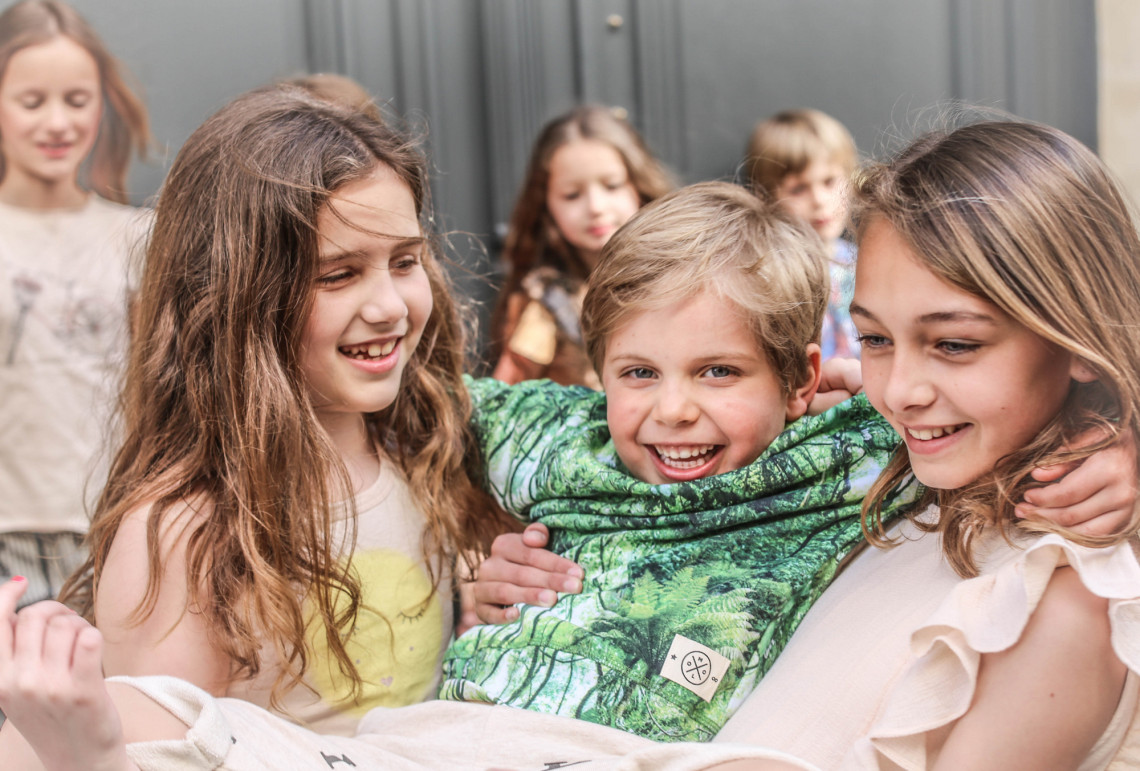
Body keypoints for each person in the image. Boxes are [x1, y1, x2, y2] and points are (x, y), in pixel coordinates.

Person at [0, 179, 1130, 771]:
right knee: (129, 707)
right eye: (877, 342)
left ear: (794, 384)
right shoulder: (569, 438)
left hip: (630, 751)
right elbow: (422, 397)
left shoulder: (856, 458)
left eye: (952, 344)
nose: (671, 407)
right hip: (445, 735)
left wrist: (1122, 433)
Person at [0, 83, 519, 766]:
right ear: (237, 297)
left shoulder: (425, 450)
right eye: (339, 274)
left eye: (404, 261)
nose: (390, 305)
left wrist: (499, 603)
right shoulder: (186, 528)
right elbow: (163, 754)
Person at [713, 119, 1140, 769]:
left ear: (1075, 337)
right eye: (876, 338)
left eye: (955, 343)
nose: (900, 391)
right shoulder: (899, 473)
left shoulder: (1063, 596)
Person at [0, 0, 151, 608]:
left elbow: (164, 392)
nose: (57, 122)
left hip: (115, 535)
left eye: (77, 100)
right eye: (32, 102)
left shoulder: (140, 236)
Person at [490, 104, 673, 389]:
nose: (596, 207)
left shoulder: (681, 277)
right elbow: (505, 392)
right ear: (546, 206)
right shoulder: (547, 301)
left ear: (639, 186)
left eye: (612, 186)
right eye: (572, 195)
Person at [745, 108, 859, 360]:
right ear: (766, 195)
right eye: (798, 189)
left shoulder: (865, 261)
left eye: (829, 181)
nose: (819, 200)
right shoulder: (768, 275)